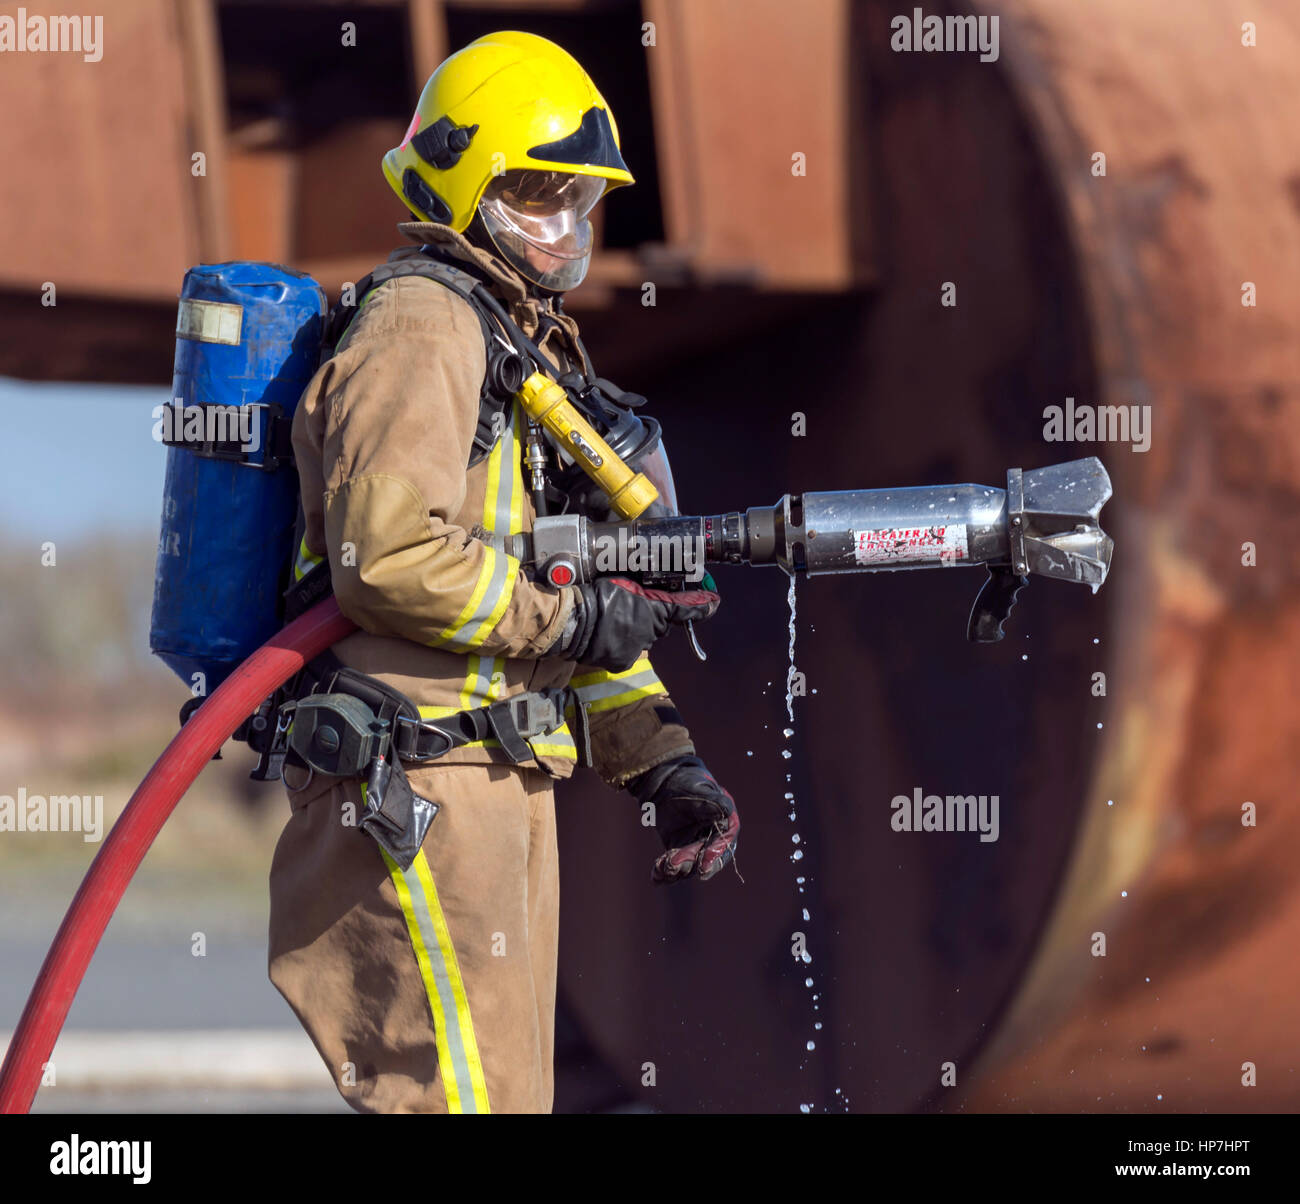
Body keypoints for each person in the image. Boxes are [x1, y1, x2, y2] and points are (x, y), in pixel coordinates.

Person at [267, 30, 740, 1114]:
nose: (564, 225)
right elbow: (385, 560)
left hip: (494, 783)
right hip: (411, 787)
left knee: (502, 1102)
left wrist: (662, 762)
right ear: (460, 184)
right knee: (457, 1102)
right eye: (533, 192)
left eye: (576, 197)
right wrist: (569, 627)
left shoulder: (519, 350)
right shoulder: (423, 324)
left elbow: (570, 595)